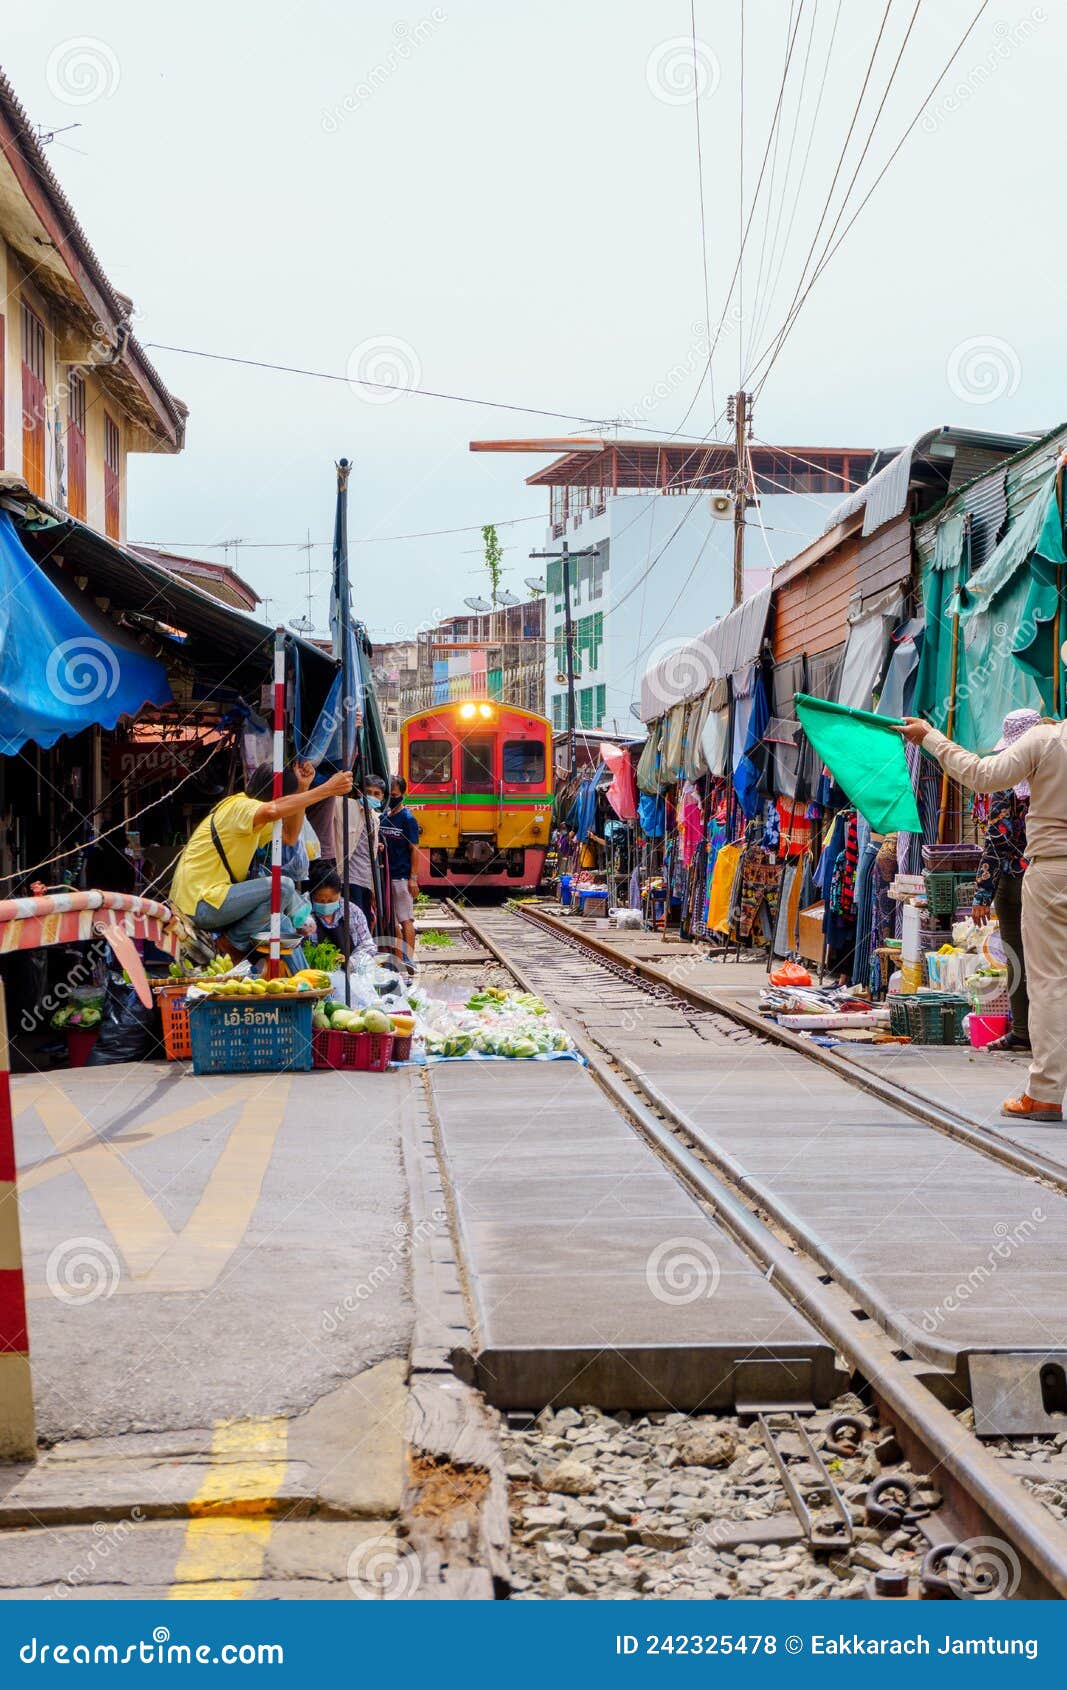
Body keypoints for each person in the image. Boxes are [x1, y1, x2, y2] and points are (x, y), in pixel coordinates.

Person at [900, 694, 1067, 1122]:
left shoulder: (1047, 739)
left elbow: (982, 774)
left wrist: (930, 737)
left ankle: (1045, 1094)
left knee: (1050, 982)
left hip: (1053, 874)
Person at [170, 763, 352, 959]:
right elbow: (273, 811)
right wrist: (326, 789)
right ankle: (230, 944)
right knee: (282, 886)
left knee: (281, 922)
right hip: (198, 904)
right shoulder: (239, 806)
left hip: (212, 901)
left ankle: (301, 984)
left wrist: (302, 789)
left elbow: (289, 836)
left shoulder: (255, 818)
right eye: (288, 800)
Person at [970, 708, 1041, 1054]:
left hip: (1015, 882)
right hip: (1050, 877)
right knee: (1050, 960)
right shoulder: (1053, 772)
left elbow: (997, 840)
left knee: (1016, 957)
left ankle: (1025, 1032)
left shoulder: (1006, 781)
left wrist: (982, 892)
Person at [333, 773, 386, 924]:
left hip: (365, 880)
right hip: (348, 877)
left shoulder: (376, 819)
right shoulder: (346, 806)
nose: (372, 796)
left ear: (382, 797)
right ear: (358, 792)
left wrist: (373, 888)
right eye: (368, 792)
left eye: (377, 794)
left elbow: (372, 856)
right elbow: (330, 801)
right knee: (353, 922)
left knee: (365, 920)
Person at [381, 776, 421, 965]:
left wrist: (413, 878)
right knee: (392, 920)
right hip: (385, 876)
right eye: (389, 794)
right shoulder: (383, 817)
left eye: (395, 794)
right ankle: (398, 958)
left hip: (402, 877)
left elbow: (414, 850)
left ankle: (409, 959)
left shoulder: (407, 819)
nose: (392, 798)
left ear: (403, 794)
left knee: (405, 919)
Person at [306, 862, 376, 964]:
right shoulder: (305, 915)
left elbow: (367, 945)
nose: (325, 904)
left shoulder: (352, 911)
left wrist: (352, 962)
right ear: (312, 896)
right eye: (320, 901)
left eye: (330, 901)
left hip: (351, 974)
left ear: (339, 894)